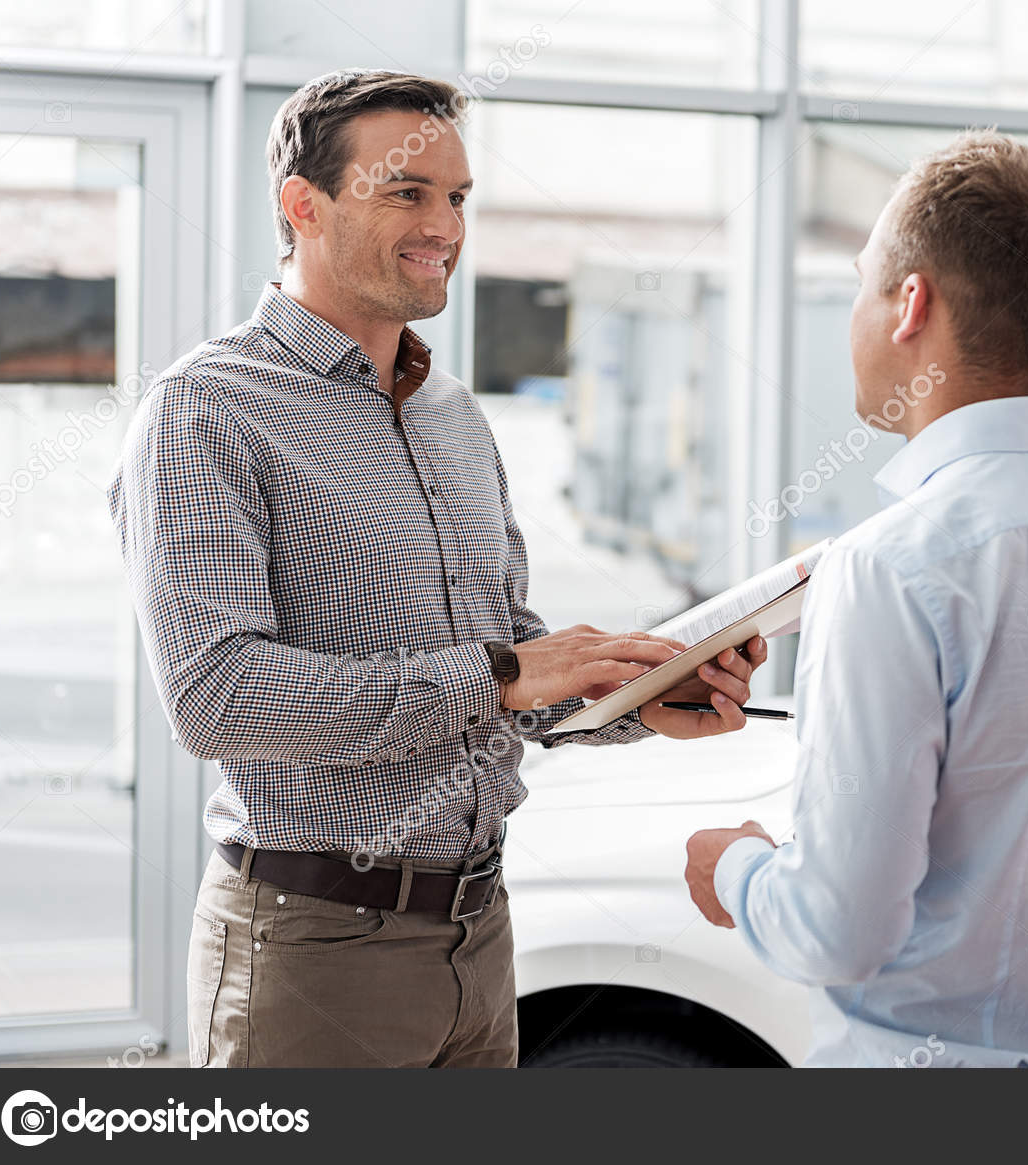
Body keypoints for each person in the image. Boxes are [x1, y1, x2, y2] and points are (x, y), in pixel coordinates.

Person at [107, 69, 764, 1068]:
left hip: (483, 934)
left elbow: (506, 666)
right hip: (312, 948)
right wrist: (502, 674)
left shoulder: (454, 415)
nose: (444, 226)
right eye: (407, 193)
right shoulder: (207, 409)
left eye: (457, 197)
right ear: (304, 206)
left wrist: (637, 696)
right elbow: (217, 697)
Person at [683, 130, 1028, 1068]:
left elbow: (836, 932)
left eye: (864, 282)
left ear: (912, 303)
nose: (855, 313)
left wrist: (736, 866)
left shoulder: (890, 569)